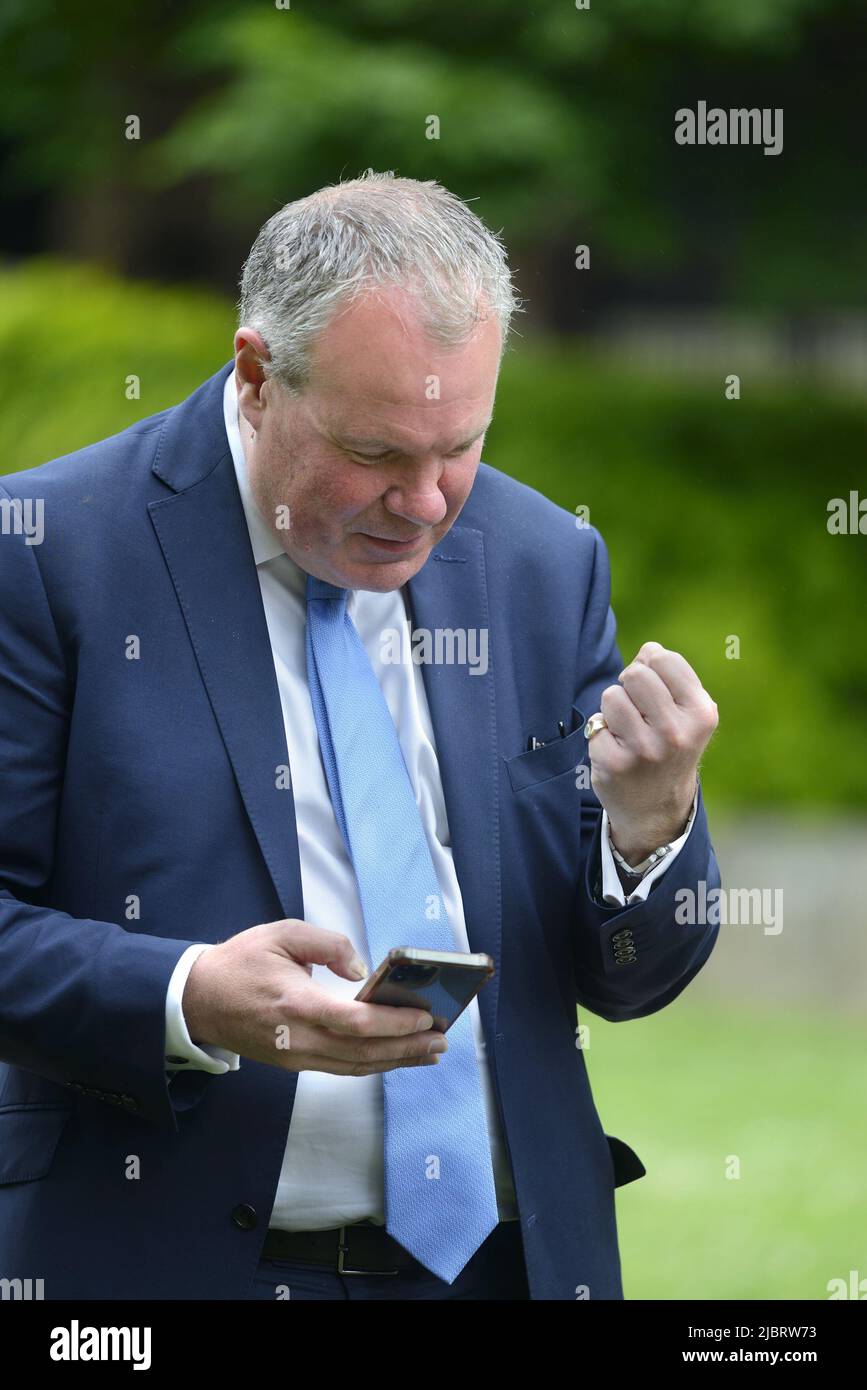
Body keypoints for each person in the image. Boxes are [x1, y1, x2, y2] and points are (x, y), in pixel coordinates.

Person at [0, 171, 719, 1301]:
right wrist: (187, 992)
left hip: (509, 1270)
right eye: (378, 454)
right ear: (254, 375)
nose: (429, 501)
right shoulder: (47, 554)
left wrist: (652, 829)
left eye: (461, 445)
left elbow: (628, 982)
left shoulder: (541, 561)